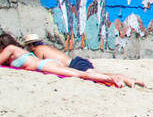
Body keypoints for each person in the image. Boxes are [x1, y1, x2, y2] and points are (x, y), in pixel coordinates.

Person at [0, 33, 130, 87]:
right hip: (50, 64)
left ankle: (112, 79)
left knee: (82, 75)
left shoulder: (11, 49)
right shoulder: (20, 52)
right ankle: (116, 79)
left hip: (44, 66)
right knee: (82, 74)